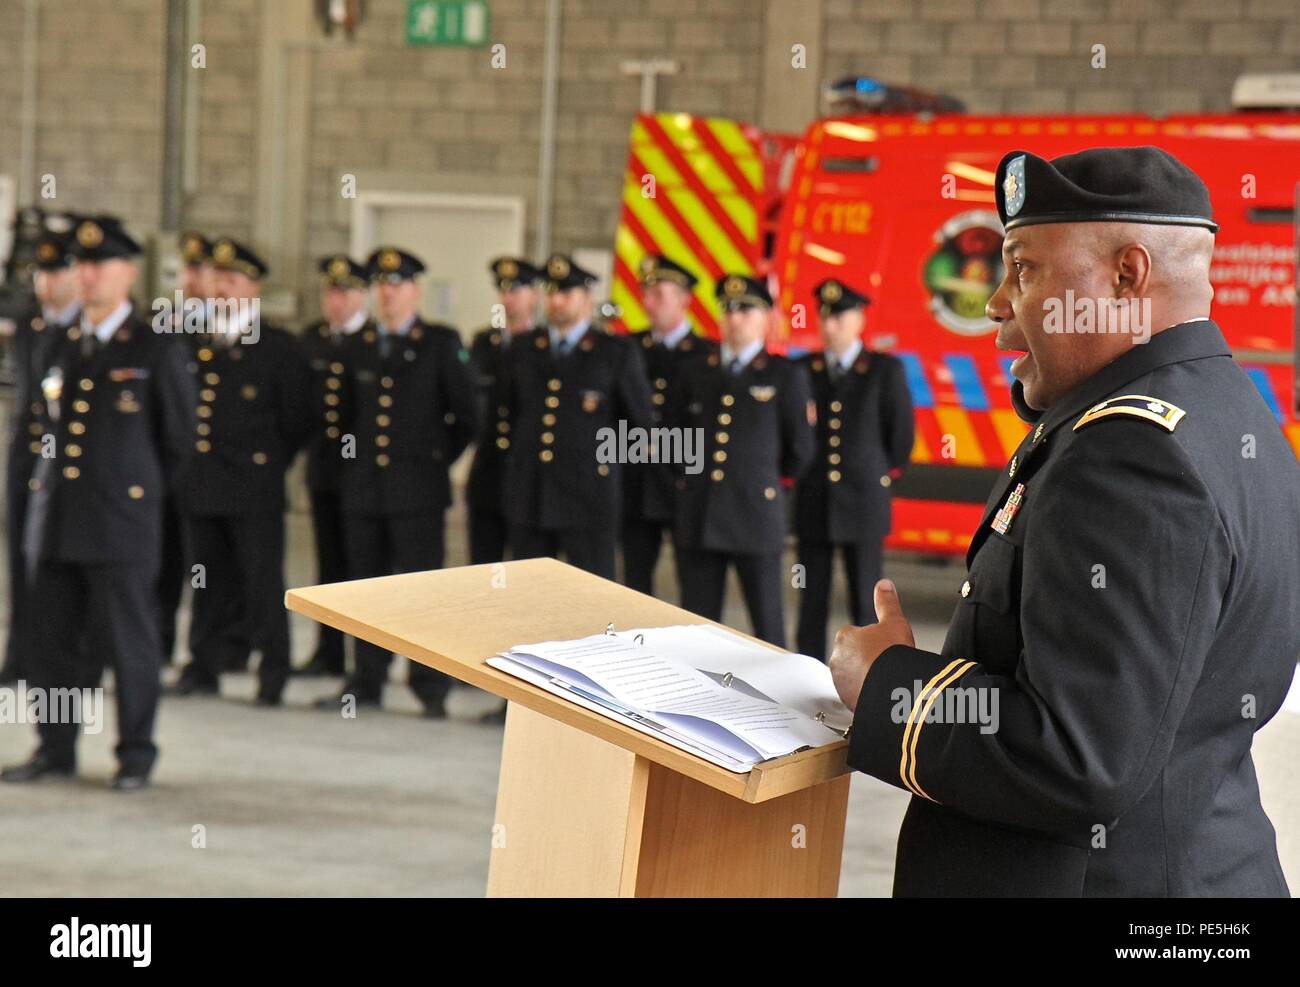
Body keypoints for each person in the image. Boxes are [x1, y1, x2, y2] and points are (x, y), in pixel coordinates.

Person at [829, 146, 1300, 897]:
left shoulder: (1130, 458)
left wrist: (886, 684)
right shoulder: (1226, 412)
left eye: (1024, 268)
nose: (994, 301)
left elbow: (1078, 756)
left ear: (1127, 276)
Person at [1, 215, 194, 790]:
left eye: (100, 264)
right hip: (59, 518)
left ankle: (135, 754)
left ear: (128, 272)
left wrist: (137, 495)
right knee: (54, 644)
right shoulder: (62, 342)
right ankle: (54, 748)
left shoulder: (155, 347)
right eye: (81, 265)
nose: (87, 275)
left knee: (129, 645)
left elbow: (178, 443)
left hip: (121, 524)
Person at [314, 247, 479, 717]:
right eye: (381, 284)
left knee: (421, 593)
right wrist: (353, 467)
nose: (388, 292)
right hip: (364, 489)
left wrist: (431, 460)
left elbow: (467, 417)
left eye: (397, 284)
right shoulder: (357, 346)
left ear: (415, 291)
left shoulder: (441, 343)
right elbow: (343, 418)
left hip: (418, 490)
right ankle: (366, 679)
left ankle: (428, 685)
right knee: (366, 590)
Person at [170, 237, 312, 706]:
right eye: (217, 278)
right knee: (206, 581)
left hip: (254, 486)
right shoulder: (197, 343)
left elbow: (297, 421)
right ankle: (203, 665)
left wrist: (269, 464)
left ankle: (273, 672)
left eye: (232, 279)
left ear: (253, 287)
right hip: (203, 481)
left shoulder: (277, 347)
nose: (221, 289)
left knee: (261, 581)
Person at [672, 273, 814, 647]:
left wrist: (762, 482)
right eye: (729, 310)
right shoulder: (695, 371)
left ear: (766, 318)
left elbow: (800, 449)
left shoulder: (785, 376)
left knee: (767, 628)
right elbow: (672, 438)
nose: (735, 319)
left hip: (755, 515)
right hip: (700, 514)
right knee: (696, 629)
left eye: (746, 310)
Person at [498, 253, 652, 580]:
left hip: (589, 498)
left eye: (566, 293)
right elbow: (509, 417)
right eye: (552, 292)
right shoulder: (523, 348)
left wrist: (605, 471)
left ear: (586, 298)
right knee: (527, 598)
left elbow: (638, 427)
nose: (557, 301)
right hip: (532, 494)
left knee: (591, 600)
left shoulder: (614, 353)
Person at [794, 279, 913, 660]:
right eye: (825, 318)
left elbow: (901, 439)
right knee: (811, 601)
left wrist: (871, 473)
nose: (830, 326)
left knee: (866, 601)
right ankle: (808, 671)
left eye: (840, 317)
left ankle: (867, 678)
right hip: (814, 501)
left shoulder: (883, 370)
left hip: (863, 503)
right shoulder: (802, 370)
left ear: (859, 320)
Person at [1, 230, 81, 686]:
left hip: (69, 468)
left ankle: (70, 659)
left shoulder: (84, 328)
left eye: (56, 272)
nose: (45, 283)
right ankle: (20, 656)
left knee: (63, 570)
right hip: (27, 461)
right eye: (40, 274)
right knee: (21, 563)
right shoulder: (32, 327)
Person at [293, 254, 370, 678]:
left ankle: (365, 663)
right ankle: (328, 651)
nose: (336, 301)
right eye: (330, 292)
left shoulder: (374, 341)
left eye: (345, 292)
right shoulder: (312, 340)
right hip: (323, 469)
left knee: (361, 570)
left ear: (362, 296)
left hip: (364, 476)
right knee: (328, 566)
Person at [622, 254, 716, 596]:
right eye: (646, 294)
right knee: (633, 583)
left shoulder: (708, 355)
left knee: (695, 585)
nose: (649, 303)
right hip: (637, 479)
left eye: (659, 294)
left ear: (684, 301)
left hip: (684, 483)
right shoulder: (628, 348)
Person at [465, 257, 541, 565]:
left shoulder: (544, 346)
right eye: (503, 291)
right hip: (488, 473)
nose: (508, 299)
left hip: (530, 477)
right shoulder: (485, 344)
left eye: (517, 290)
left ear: (534, 294)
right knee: (484, 570)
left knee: (528, 573)